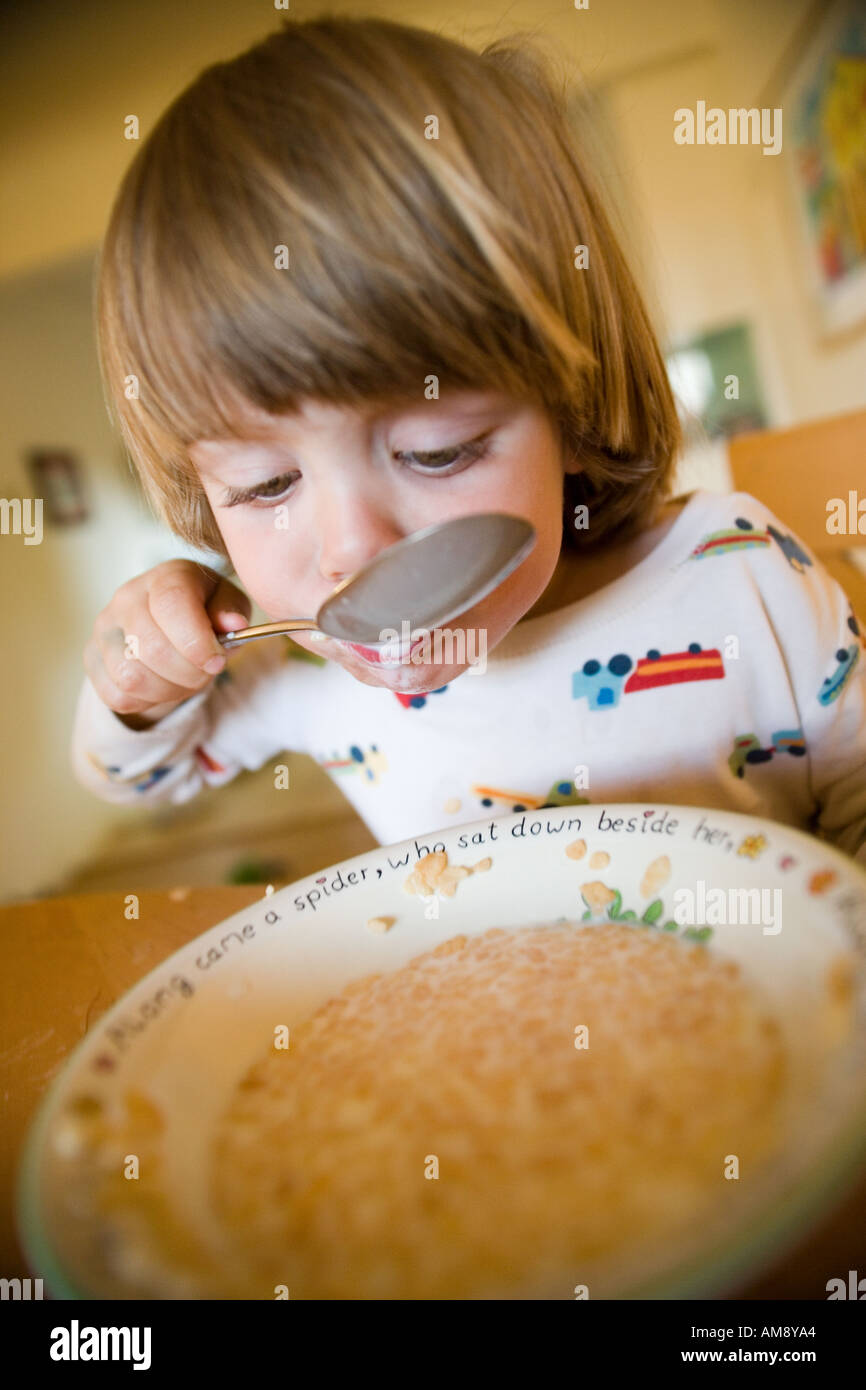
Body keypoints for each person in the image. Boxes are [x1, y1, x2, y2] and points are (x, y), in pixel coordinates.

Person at [71, 15, 866, 867]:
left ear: (573, 404)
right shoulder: (308, 675)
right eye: (266, 486)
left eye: (436, 451)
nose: (353, 551)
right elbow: (138, 781)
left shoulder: (745, 581)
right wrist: (143, 687)